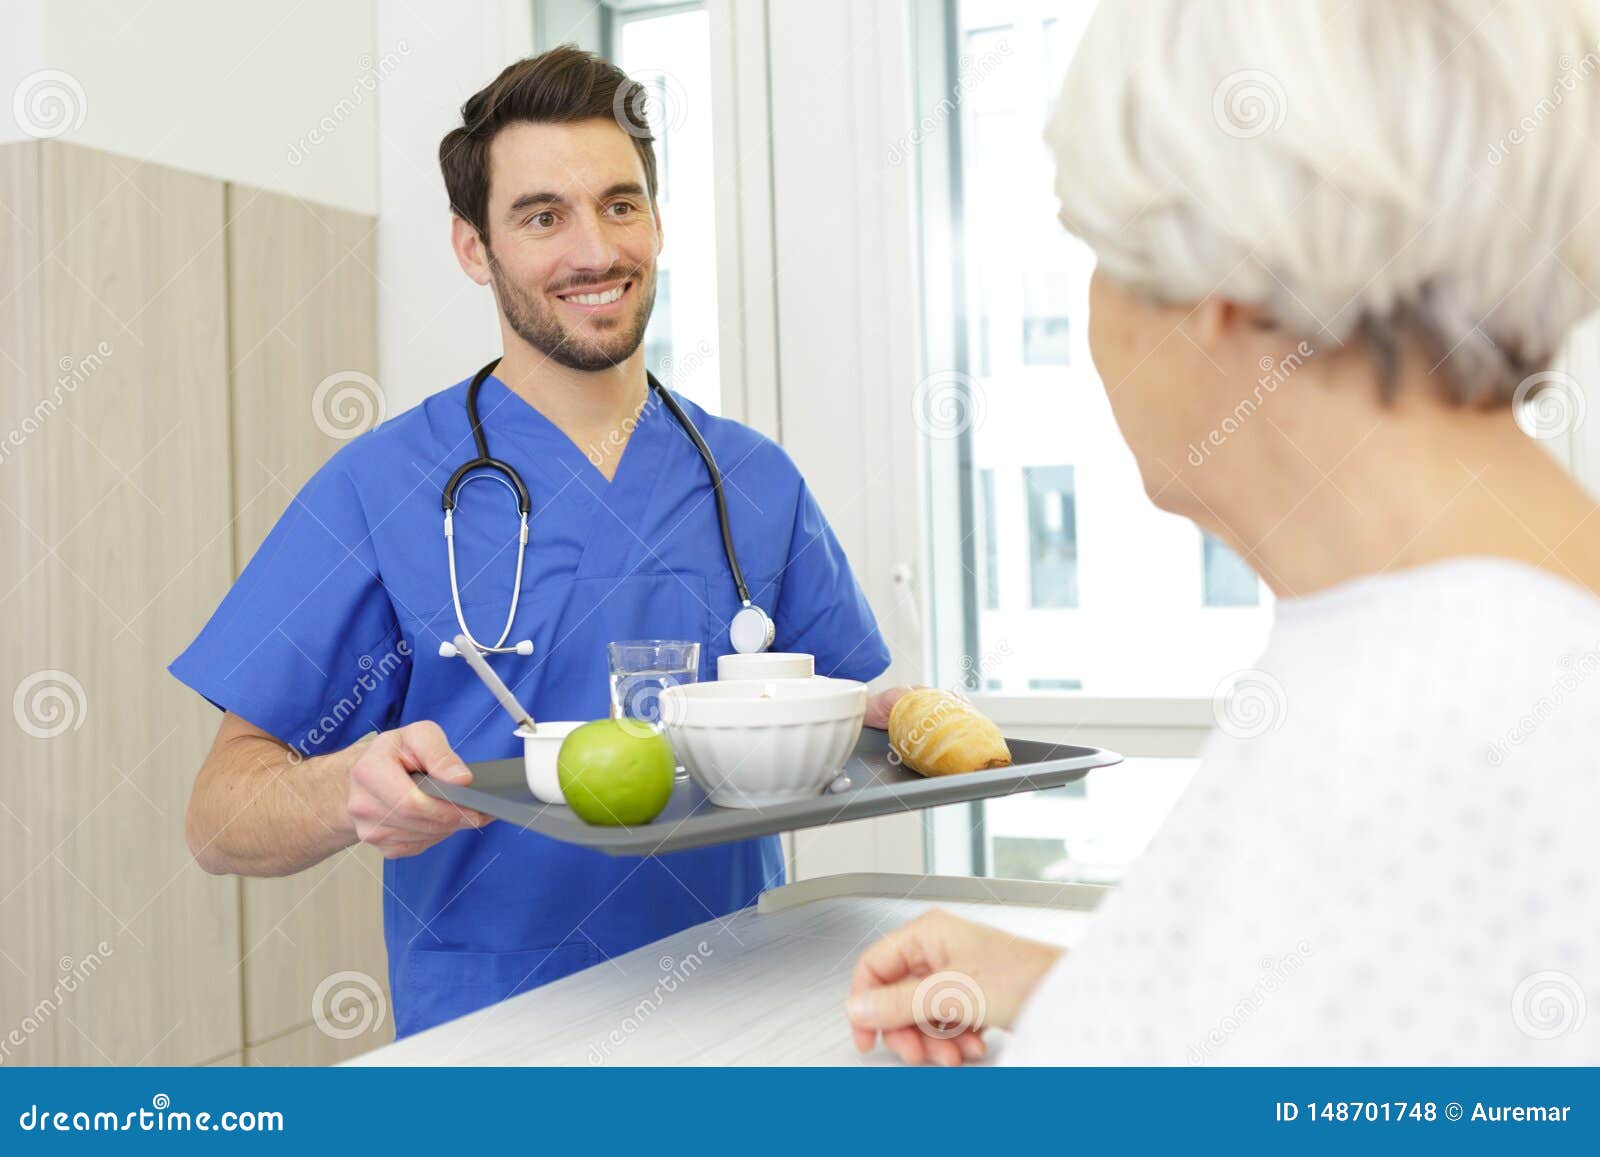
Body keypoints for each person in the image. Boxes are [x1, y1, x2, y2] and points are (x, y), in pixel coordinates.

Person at [848, 0, 1600, 1065]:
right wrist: (1084, 989)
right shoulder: (1454, 644)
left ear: (1222, 280)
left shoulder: (1430, 734)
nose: (1097, 322)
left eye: (1099, 251)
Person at [172, 45, 898, 1038]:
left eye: (621, 203)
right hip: (495, 1037)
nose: (595, 250)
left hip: (743, 1013)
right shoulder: (381, 486)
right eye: (542, 215)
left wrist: (886, 727)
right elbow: (218, 817)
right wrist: (348, 788)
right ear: (475, 249)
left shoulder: (754, 481)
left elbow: (850, 725)